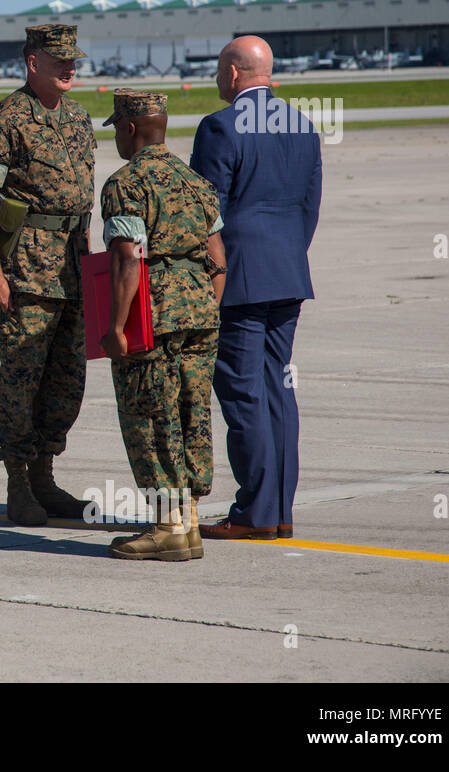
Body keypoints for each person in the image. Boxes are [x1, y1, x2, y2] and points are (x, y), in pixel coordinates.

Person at [189, 35, 322, 540]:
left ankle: (255, 512)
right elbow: (308, 208)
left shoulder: (219, 127)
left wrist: (212, 276)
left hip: (240, 278)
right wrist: (286, 257)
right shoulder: (303, 126)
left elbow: (204, 214)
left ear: (233, 73)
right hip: (287, 274)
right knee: (278, 390)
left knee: (243, 392)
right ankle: (280, 509)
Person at [0, 24, 96, 526]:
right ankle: (18, 481)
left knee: (67, 380)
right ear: (32, 61)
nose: (70, 68)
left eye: (73, 61)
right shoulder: (4, 119)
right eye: (59, 60)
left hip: (76, 269)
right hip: (26, 271)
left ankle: (45, 474)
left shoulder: (81, 118)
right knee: (21, 377)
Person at [98, 89, 226, 560]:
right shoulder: (196, 181)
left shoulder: (124, 184)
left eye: (116, 127)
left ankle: (167, 525)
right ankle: (188, 520)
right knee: (194, 414)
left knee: (152, 417)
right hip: (200, 314)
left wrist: (115, 326)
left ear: (130, 128)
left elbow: (129, 258)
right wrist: (206, 310)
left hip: (153, 316)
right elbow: (219, 260)